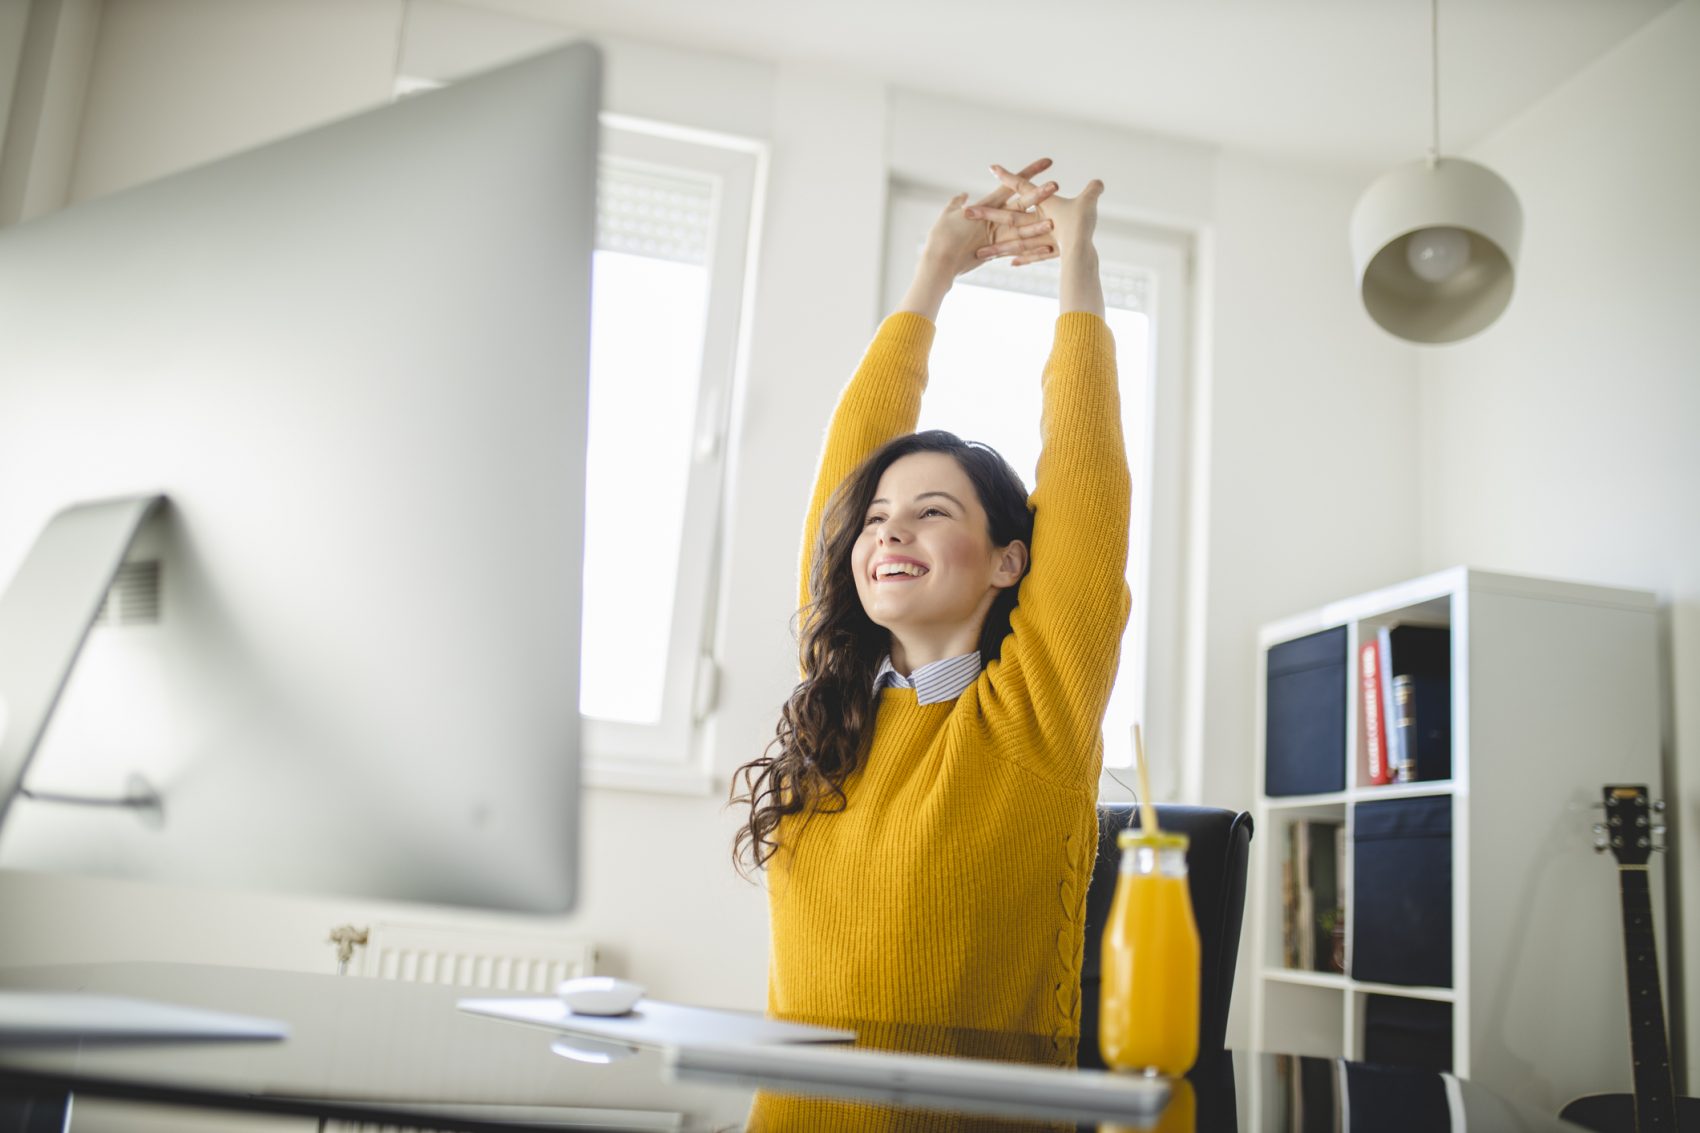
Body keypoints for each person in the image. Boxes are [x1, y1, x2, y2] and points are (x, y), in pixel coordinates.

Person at [731, 157, 1130, 1068]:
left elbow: (1087, 482)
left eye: (932, 512)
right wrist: (933, 272)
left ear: (1009, 560)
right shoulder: (833, 702)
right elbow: (849, 472)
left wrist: (1078, 260)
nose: (888, 533)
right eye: (877, 520)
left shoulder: (1035, 712)